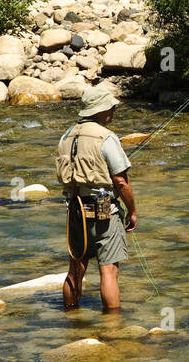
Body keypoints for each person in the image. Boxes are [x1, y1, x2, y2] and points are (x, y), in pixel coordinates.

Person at [55, 84, 138, 312]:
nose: (113, 109)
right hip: (104, 212)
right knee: (108, 270)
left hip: (76, 210)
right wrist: (132, 211)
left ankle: (71, 318)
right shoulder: (107, 138)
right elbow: (121, 182)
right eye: (110, 106)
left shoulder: (66, 136)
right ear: (99, 110)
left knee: (76, 268)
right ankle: (112, 327)